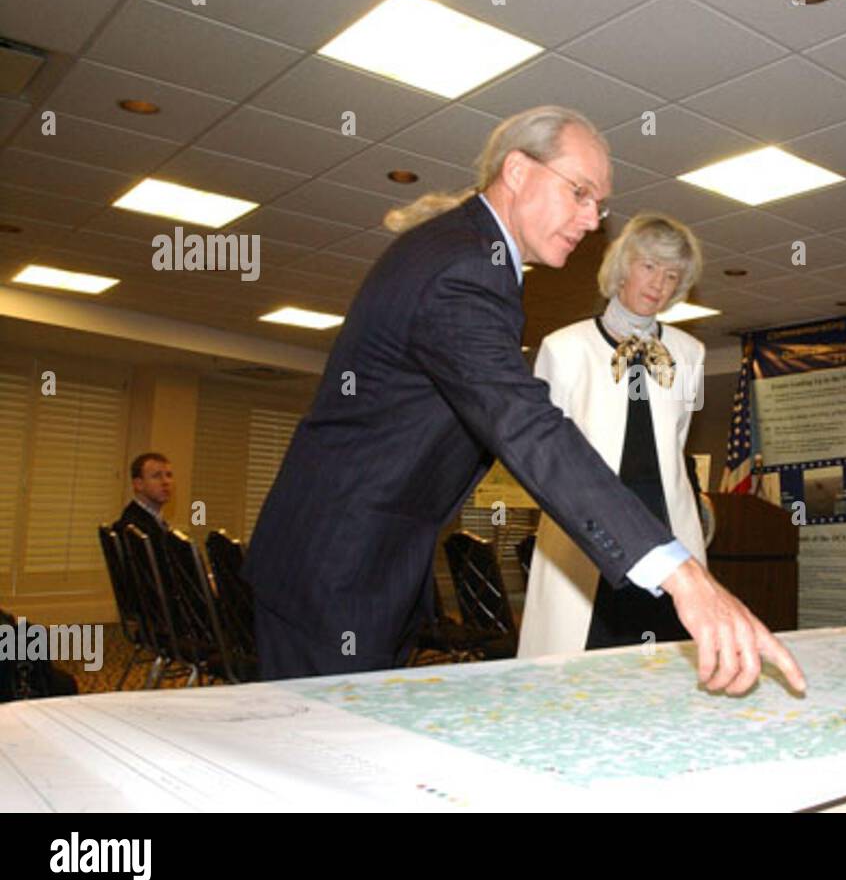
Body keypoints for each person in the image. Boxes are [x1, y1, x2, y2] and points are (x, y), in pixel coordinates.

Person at [242, 106, 803, 695]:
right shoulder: (462, 268)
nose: (592, 219)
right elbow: (528, 426)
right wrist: (683, 575)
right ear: (516, 171)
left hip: (360, 557)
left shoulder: (470, 255)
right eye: (579, 193)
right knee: (323, 756)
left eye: (599, 203)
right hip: (340, 562)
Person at [518, 213, 707, 656]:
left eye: (672, 275)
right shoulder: (564, 349)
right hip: (588, 535)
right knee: (579, 661)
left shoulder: (691, 353)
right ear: (622, 267)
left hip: (666, 534)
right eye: (648, 267)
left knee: (670, 663)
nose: (658, 283)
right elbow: (545, 459)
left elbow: (677, 446)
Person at [117, 452, 172, 544]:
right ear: (138, 484)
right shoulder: (134, 528)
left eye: (169, 475)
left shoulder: (155, 521)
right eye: (157, 476)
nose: (166, 482)